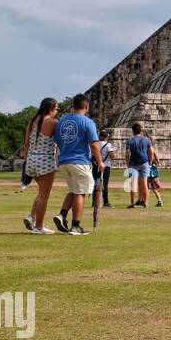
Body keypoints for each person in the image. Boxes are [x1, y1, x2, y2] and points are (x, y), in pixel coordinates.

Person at [52, 94, 103, 235]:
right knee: (81, 192)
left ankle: (62, 215)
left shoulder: (62, 121)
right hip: (80, 161)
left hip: (64, 161)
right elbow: (94, 144)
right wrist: (100, 162)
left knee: (74, 190)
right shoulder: (87, 122)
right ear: (86, 106)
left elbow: (58, 142)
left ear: (72, 106)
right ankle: (75, 226)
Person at [21, 97, 60, 234]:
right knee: (44, 195)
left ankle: (32, 217)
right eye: (56, 109)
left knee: (41, 193)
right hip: (46, 160)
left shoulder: (32, 122)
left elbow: (26, 144)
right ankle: (39, 226)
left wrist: (26, 161)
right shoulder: (53, 122)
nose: (57, 111)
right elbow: (60, 142)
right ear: (51, 109)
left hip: (31, 160)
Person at [125, 123, 153, 208]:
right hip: (144, 163)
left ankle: (133, 203)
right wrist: (150, 162)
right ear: (140, 131)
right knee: (144, 183)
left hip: (133, 163)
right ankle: (146, 202)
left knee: (133, 183)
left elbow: (127, 154)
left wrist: (128, 164)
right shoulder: (146, 139)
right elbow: (151, 152)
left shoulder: (130, 140)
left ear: (133, 131)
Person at [97, 130, 115, 208]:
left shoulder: (96, 144)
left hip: (96, 165)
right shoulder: (108, 145)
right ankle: (106, 201)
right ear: (106, 137)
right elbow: (112, 156)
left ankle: (94, 201)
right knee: (105, 184)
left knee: (96, 183)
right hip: (106, 165)